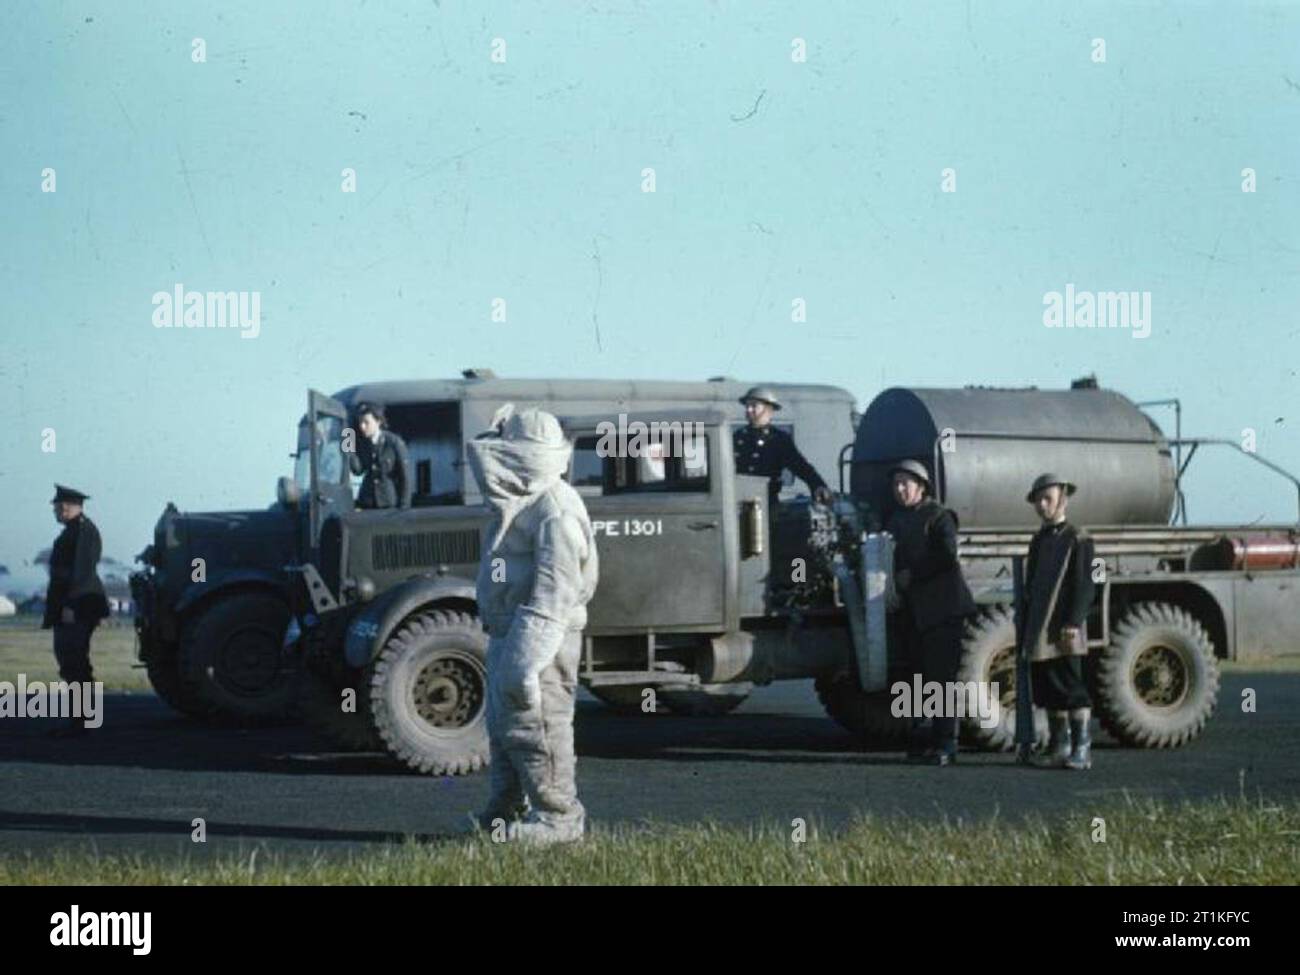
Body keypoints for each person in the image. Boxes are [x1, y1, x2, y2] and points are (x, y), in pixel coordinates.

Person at [466, 404, 599, 844]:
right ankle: (506, 810)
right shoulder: (522, 503)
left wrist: (523, 665)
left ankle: (559, 819)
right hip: (512, 630)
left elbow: (554, 596)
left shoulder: (554, 510)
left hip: (541, 638)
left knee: (538, 725)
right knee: (505, 727)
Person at [884, 460, 975, 765]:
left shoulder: (939, 517)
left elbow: (948, 556)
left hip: (943, 610)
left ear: (921, 486)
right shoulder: (897, 520)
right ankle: (926, 739)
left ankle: (947, 743)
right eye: (896, 483)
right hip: (914, 611)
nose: (900, 489)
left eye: (905, 483)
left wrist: (912, 574)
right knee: (918, 678)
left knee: (942, 678)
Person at [1022, 473, 1097, 770]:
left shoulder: (1078, 537)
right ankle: (1058, 745)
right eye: (1038, 500)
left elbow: (1084, 584)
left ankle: (1082, 747)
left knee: (1070, 685)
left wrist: (1073, 622)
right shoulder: (1039, 539)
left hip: (1065, 626)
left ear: (1063, 499)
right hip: (1041, 625)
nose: (1042, 505)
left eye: (1048, 499)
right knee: (1048, 686)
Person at [42, 484, 110, 737]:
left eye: (63, 507)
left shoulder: (82, 531)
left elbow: (81, 572)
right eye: (57, 507)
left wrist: (70, 606)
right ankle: (80, 720)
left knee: (74, 662)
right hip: (72, 606)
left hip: (77, 607)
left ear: (77, 507)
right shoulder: (74, 530)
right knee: (71, 663)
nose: (58, 511)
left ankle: (83, 721)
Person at [733, 387, 832, 508]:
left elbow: (800, 466)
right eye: (747, 406)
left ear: (768, 409)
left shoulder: (778, 439)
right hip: (738, 502)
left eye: (754, 406)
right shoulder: (737, 437)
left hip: (767, 504)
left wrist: (818, 486)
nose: (749, 410)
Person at [349, 401, 412, 509]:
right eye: (360, 422)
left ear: (378, 421)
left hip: (388, 503)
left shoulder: (394, 442)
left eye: (366, 422)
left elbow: (405, 477)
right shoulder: (364, 443)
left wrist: (404, 506)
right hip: (367, 503)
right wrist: (349, 449)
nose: (362, 426)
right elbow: (358, 470)